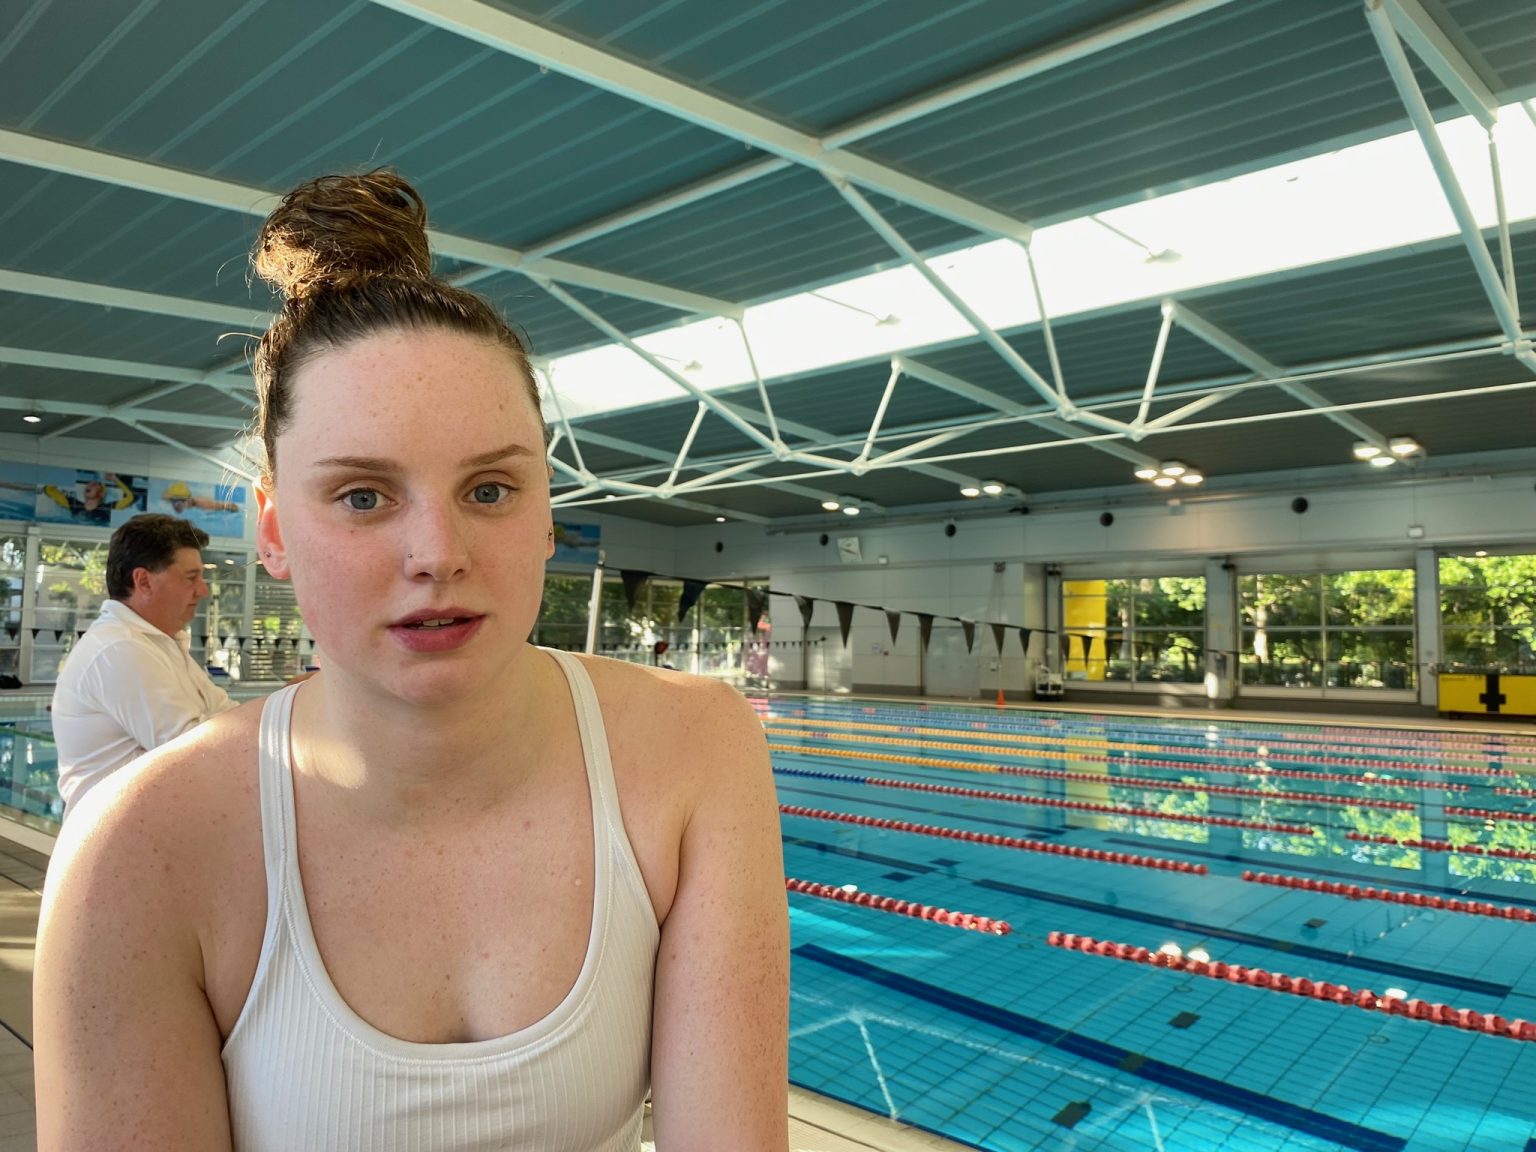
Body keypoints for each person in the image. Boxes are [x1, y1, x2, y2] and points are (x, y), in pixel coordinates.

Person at [36, 171, 788, 1151]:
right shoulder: (139, 852)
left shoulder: (695, 749)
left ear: (548, 508)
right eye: (362, 496)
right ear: (272, 527)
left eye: (488, 488)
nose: (438, 551)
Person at [48, 513, 235, 817]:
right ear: (143, 581)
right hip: (116, 845)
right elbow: (195, 752)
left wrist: (289, 708)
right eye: (191, 578)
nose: (203, 590)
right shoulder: (118, 648)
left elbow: (227, 714)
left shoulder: (157, 642)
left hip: (141, 833)